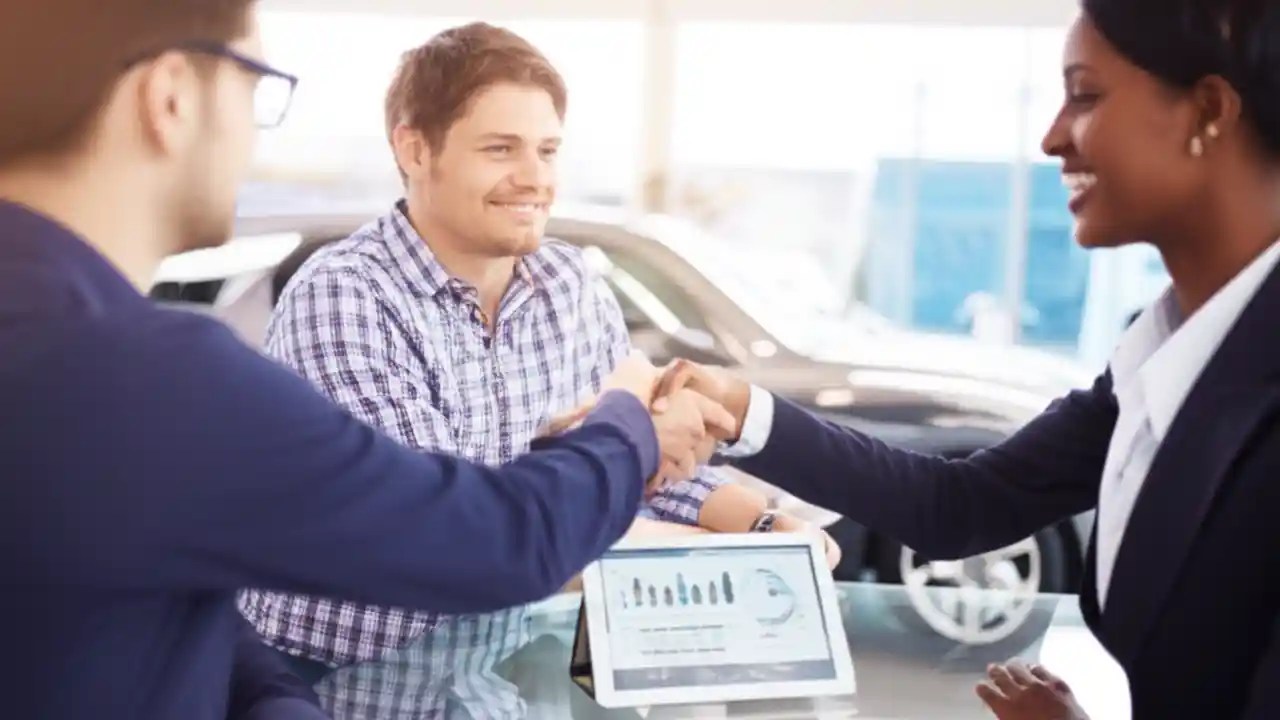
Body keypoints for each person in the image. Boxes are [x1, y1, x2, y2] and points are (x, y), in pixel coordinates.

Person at [0, 2, 732, 719]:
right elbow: (488, 541)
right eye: (257, 87)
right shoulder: (151, 379)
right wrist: (627, 417)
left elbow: (156, 595)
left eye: (546, 148)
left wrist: (272, 700)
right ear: (171, 98)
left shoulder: (68, 345)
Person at [640, 1, 1280, 718]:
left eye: (1086, 96)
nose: (1051, 138)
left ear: (1208, 112)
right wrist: (741, 409)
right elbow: (959, 506)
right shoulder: (1159, 359)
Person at [237, 26, 836, 709]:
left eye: (547, 151)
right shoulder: (345, 296)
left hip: (496, 685)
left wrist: (766, 529)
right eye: (500, 150)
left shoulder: (568, 286)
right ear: (414, 148)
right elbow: (462, 540)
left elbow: (640, 475)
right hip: (340, 692)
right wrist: (682, 517)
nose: (534, 178)